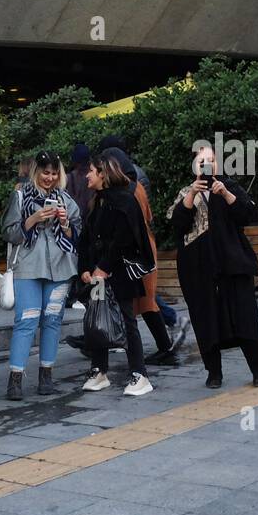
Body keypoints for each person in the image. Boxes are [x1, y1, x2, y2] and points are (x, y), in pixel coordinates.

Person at [167, 145, 258, 388]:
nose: (207, 165)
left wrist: (225, 194)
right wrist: (192, 194)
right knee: (206, 321)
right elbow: (177, 225)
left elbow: (248, 214)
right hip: (198, 270)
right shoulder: (185, 193)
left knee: (245, 318)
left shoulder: (228, 187)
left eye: (211, 161)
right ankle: (214, 372)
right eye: (202, 161)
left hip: (232, 265)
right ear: (194, 166)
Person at [1, 149, 81, 400]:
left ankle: (46, 377)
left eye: (55, 173)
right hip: (28, 267)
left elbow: (77, 235)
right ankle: (14, 382)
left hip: (60, 267)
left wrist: (65, 223)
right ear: (36, 172)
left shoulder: (66, 200)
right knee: (26, 320)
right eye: (45, 173)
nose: (50, 178)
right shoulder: (20, 195)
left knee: (53, 320)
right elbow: (9, 233)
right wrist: (32, 218)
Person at [78, 153, 155, 396]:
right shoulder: (97, 200)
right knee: (97, 319)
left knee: (127, 320)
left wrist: (103, 267)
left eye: (90, 170)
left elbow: (124, 238)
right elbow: (87, 238)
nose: (86, 175)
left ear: (102, 173)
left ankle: (139, 374)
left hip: (119, 273)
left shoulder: (123, 200)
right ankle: (99, 370)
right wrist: (85, 268)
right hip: (99, 274)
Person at [99, 147, 181, 367]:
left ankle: (163, 351)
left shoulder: (128, 190)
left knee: (145, 302)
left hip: (137, 251)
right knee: (145, 302)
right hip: (144, 248)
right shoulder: (134, 186)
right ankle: (165, 349)